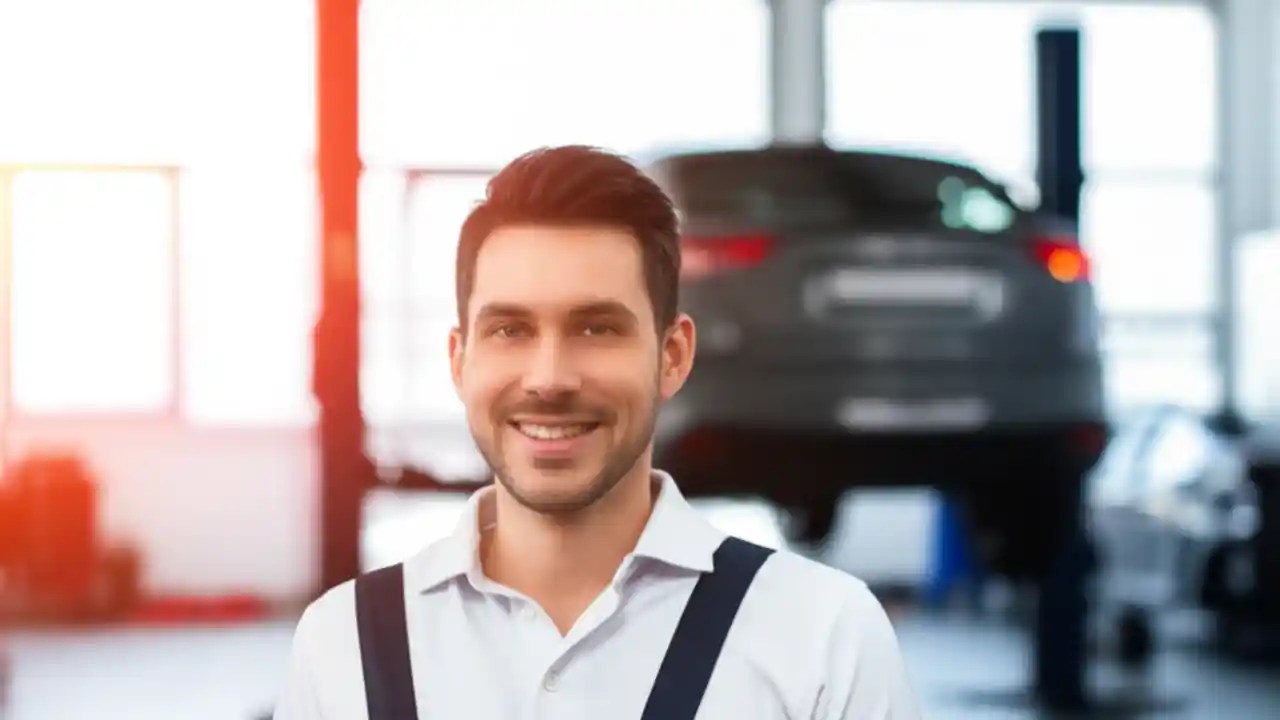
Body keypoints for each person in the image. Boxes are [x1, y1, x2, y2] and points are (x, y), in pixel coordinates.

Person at [274, 145, 922, 719]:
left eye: (596, 328)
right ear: (459, 359)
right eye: (510, 329)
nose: (549, 378)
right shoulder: (343, 647)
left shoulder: (824, 638)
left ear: (673, 356)